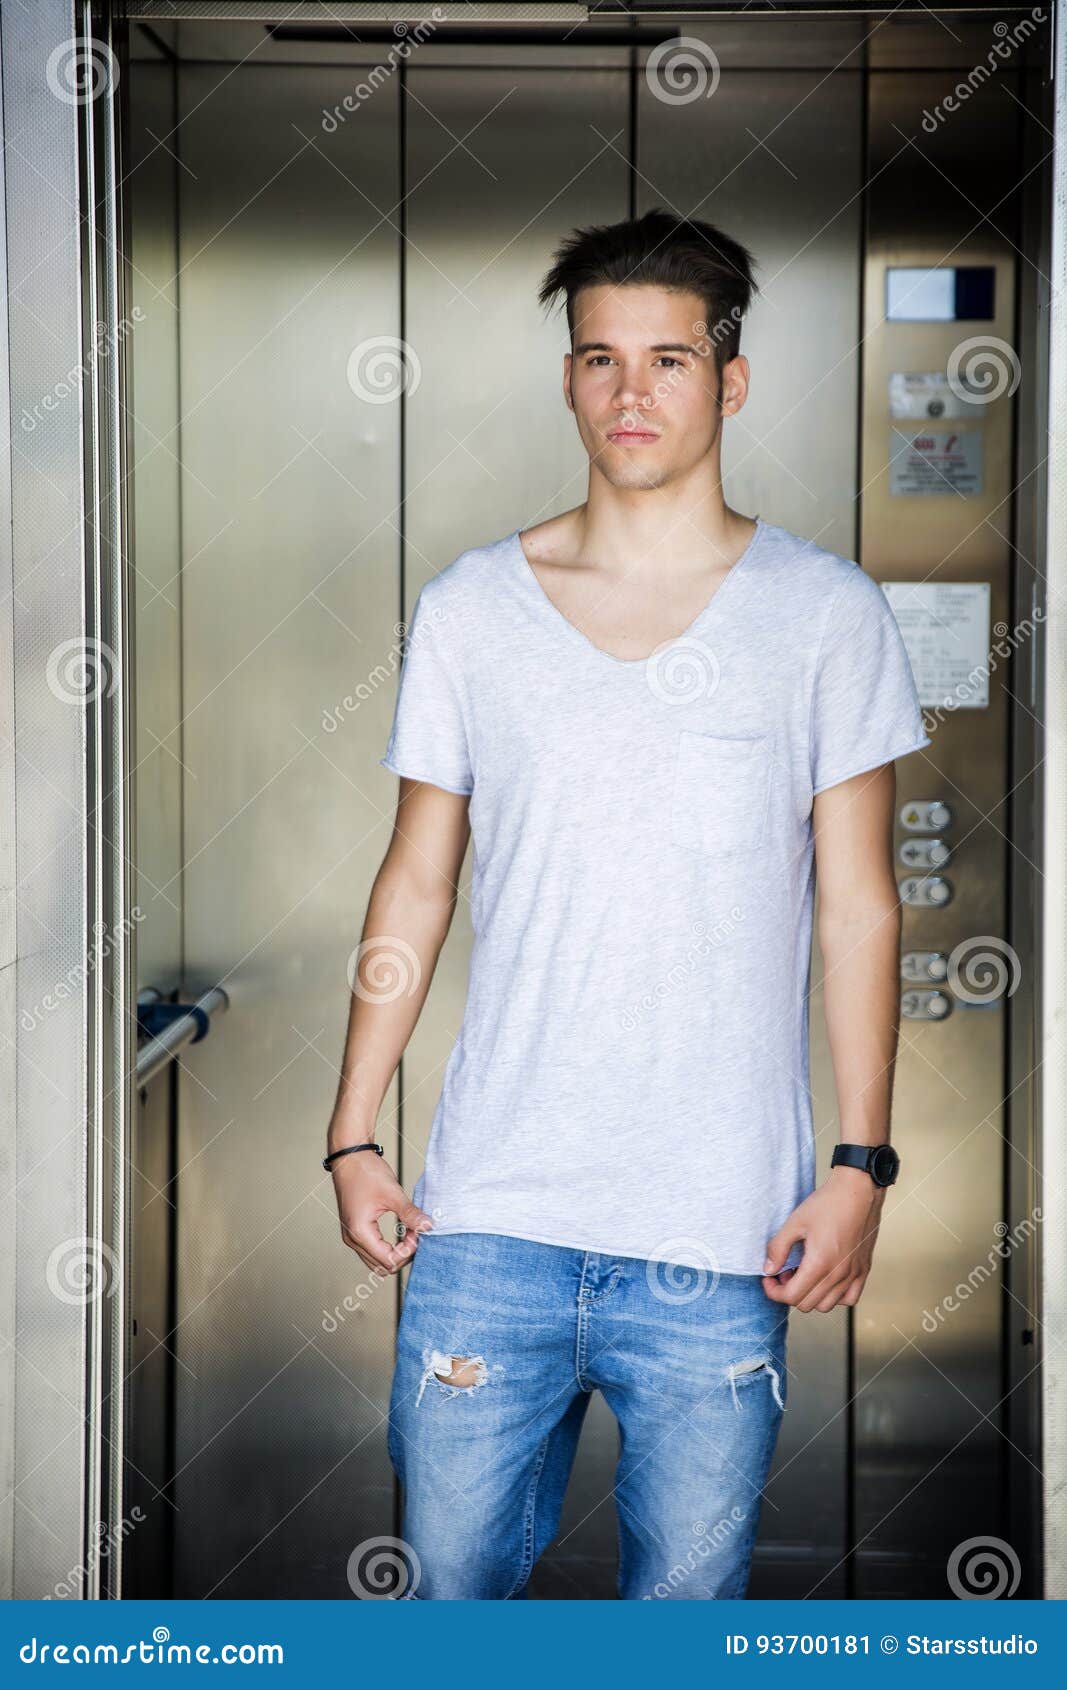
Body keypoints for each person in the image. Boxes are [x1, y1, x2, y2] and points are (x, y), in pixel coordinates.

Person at [324, 208, 930, 1600]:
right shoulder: (476, 606)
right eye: (600, 359)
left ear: (730, 378)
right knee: (448, 1609)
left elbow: (859, 909)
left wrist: (862, 1162)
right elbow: (416, 876)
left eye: (669, 358)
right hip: (488, 1225)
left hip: (718, 1231)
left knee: (683, 1630)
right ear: (567, 379)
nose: (631, 392)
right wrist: (352, 1132)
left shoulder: (824, 615)